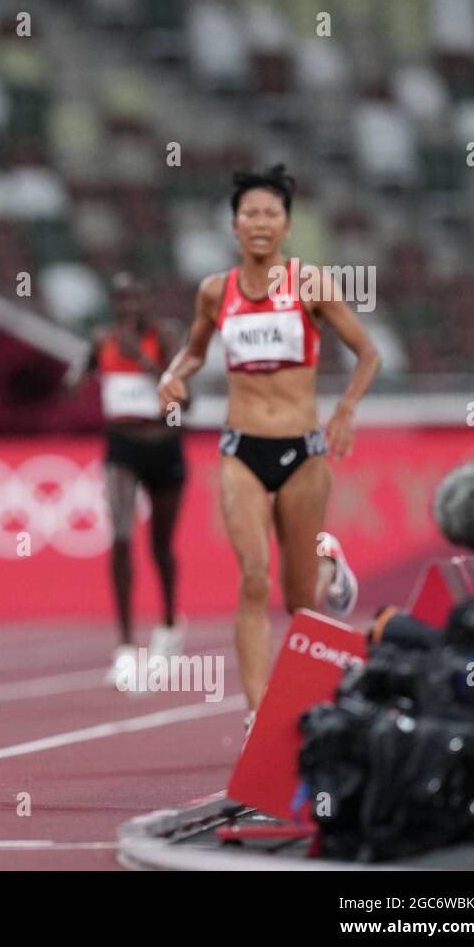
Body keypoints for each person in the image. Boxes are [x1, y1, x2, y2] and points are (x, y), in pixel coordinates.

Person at [157, 164, 380, 722]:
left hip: (304, 451)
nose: (259, 222)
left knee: (299, 600)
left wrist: (346, 410)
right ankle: (258, 715)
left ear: (286, 225)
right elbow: (195, 352)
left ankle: (326, 569)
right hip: (242, 451)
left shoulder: (310, 284)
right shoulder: (216, 291)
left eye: (270, 214)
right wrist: (172, 376)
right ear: (234, 225)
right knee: (254, 577)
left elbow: (368, 353)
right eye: (249, 213)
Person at [77, 273, 187, 689]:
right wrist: (80, 371)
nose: (130, 307)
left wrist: (141, 358)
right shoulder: (103, 340)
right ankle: (124, 646)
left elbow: (186, 399)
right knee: (121, 537)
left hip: (164, 445)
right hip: (122, 448)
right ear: (115, 304)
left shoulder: (166, 336)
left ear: (147, 300)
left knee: (161, 547)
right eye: (122, 300)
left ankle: (170, 622)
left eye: (136, 298)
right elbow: (77, 376)